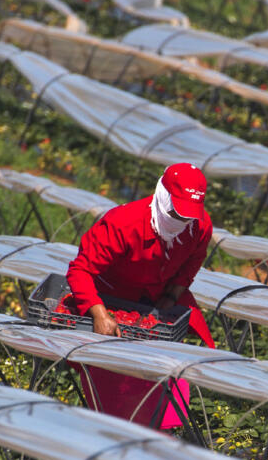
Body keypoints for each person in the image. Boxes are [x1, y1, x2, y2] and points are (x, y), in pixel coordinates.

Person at [65, 162, 215, 426]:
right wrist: (99, 313)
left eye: (187, 217)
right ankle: (114, 434)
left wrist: (170, 299)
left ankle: (159, 431)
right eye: (176, 214)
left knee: (166, 372)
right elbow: (80, 270)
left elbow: (192, 263)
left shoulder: (199, 226)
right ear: (163, 196)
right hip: (112, 300)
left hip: (157, 300)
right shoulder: (123, 224)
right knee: (116, 380)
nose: (181, 222)